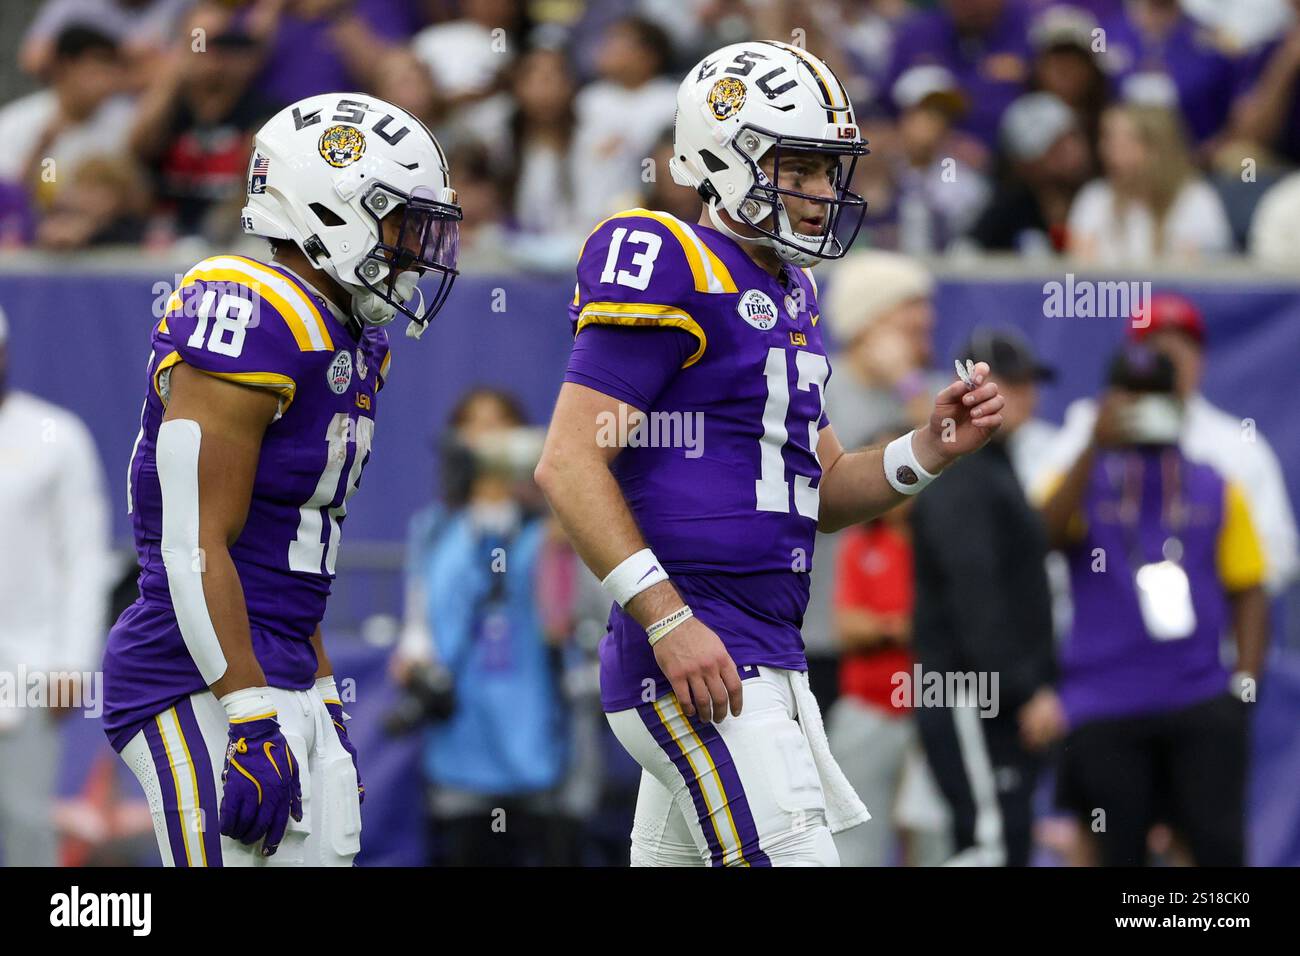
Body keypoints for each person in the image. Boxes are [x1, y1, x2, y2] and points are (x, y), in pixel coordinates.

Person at [535, 40, 1008, 867]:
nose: (824, 194)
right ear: (727, 155)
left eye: (831, 171)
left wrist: (928, 448)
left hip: (758, 652)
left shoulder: (791, 290)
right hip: (699, 653)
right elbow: (570, 463)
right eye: (801, 168)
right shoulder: (666, 258)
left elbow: (820, 492)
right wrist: (671, 620)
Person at [100, 92, 462, 866]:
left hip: (277, 664)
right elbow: (194, 545)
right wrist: (249, 712)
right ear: (330, 209)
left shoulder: (349, 336)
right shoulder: (253, 308)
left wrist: (324, 704)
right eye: (401, 222)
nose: (416, 249)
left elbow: (296, 557)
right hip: (192, 668)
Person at [1039, 345, 1269, 866]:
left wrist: (1243, 691)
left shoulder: (1213, 483)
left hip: (1199, 697)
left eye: (1156, 399)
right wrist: (1090, 448)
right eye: (1130, 399)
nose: (1144, 410)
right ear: (1107, 404)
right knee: (1113, 851)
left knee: (1215, 852)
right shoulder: (1085, 478)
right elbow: (1043, 537)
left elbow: (1251, 590)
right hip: (1104, 701)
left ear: (1181, 405)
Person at [909, 327, 1060, 867]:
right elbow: (975, 597)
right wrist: (1024, 690)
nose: (1026, 399)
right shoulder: (964, 473)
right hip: (971, 693)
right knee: (988, 841)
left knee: (1001, 839)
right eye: (1010, 386)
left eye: (1025, 386)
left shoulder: (997, 467)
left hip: (989, 694)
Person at [1040, 293, 1299, 596]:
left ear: (1201, 359)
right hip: (1103, 622)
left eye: (1183, 347)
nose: (1170, 359)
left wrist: (1200, 583)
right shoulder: (1086, 427)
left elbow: (1278, 554)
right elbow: (1038, 534)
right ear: (1129, 357)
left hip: (1205, 632)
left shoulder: (1237, 445)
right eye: (1155, 348)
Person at [0, 304, 111, 866]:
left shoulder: (54, 435)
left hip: (30, 667)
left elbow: (85, 558)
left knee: (24, 822)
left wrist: (72, 661)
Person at [1066, 102, 1233, 263]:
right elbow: (1081, 271)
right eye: (1107, 139)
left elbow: (1199, 278)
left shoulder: (1196, 199)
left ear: (1157, 148)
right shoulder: (1094, 198)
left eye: (1124, 140)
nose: (1107, 149)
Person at [967, 91, 1093, 255]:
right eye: (1056, 147)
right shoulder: (1007, 212)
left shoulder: (1102, 196)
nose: (1073, 152)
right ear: (1024, 164)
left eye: (1074, 136)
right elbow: (965, 255)